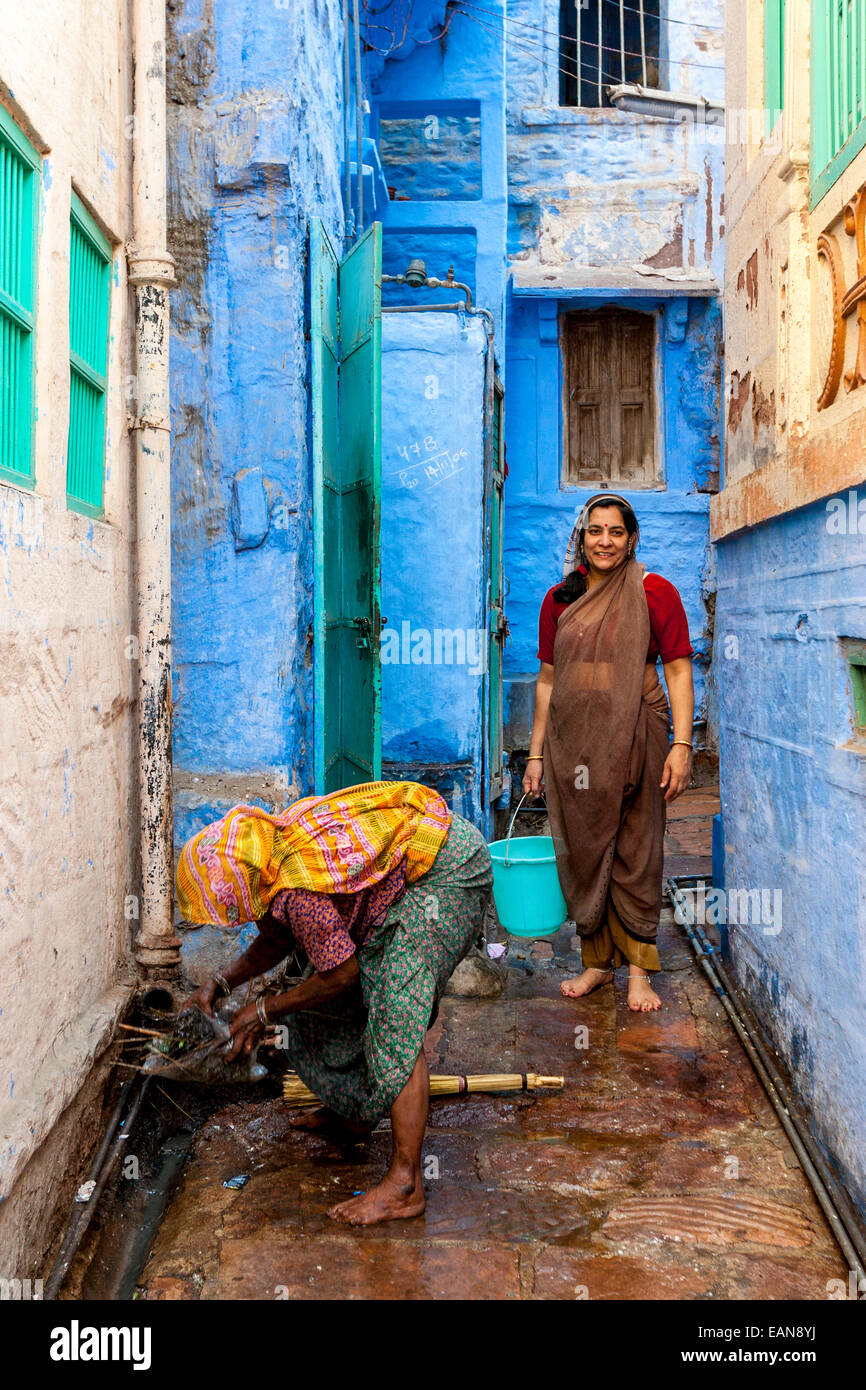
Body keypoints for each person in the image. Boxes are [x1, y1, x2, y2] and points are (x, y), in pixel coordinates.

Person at [176, 779, 492, 1225]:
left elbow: (342, 974)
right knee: (318, 1008)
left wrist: (264, 1010)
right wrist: (219, 984)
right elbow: (276, 941)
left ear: (240, 887)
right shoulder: (270, 859)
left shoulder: (296, 889)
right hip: (406, 873)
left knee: (395, 1012)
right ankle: (354, 1113)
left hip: (445, 871)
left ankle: (405, 1186)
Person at [522, 493, 694, 1013]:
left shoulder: (655, 592)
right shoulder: (560, 599)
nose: (605, 541)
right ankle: (598, 964)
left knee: (637, 843)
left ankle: (639, 969)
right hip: (574, 741)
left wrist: (682, 746)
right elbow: (548, 682)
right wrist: (534, 754)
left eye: (615, 532)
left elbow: (680, 669)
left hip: (640, 728)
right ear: (582, 537)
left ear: (631, 538)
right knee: (586, 841)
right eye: (595, 531)